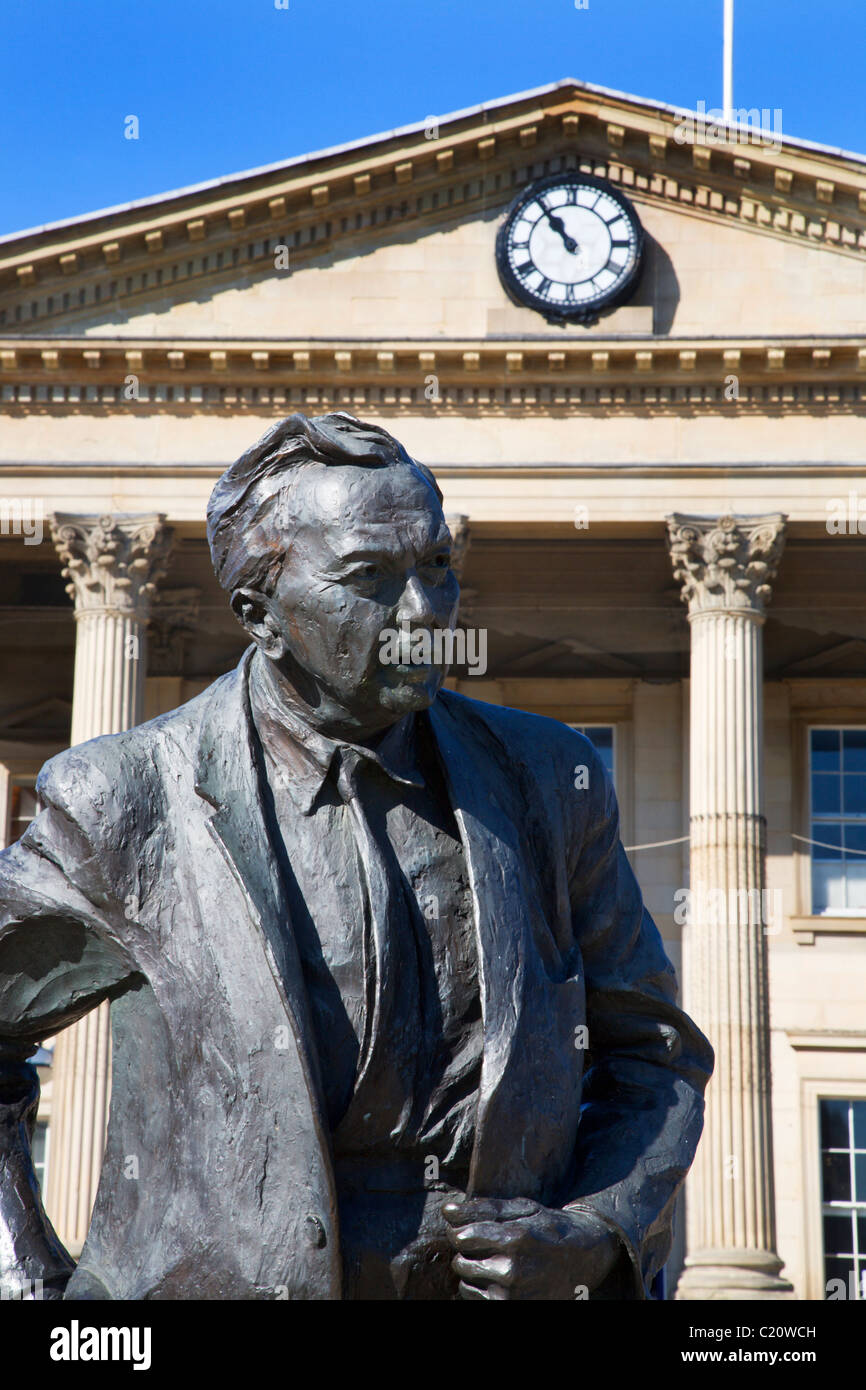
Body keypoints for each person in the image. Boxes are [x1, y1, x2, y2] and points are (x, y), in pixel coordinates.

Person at [0, 412, 712, 1300]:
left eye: (438, 568)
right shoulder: (127, 799)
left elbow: (652, 1053)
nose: (424, 614)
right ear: (260, 613)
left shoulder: (549, 778)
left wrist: (597, 1229)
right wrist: (30, 1279)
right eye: (370, 577)